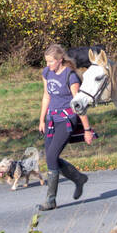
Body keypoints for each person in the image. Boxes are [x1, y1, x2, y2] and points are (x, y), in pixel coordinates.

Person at [37, 43, 94, 211]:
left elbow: (78, 105)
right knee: (50, 156)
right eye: (46, 61)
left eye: (50, 62)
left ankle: (51, 200)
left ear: (60, 60)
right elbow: (46, 96)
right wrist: (42, 120)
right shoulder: (47, 73)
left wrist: (87, 129)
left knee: (52, 156)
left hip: (67, 119)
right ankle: (78, 178)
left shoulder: (71, 77)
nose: (48, 65)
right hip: (51, 120)